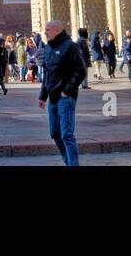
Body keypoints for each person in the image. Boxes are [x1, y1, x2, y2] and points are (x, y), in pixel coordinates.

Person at [38, 20, 87, 167]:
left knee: (67, 134)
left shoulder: (70, 46)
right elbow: (48, 73)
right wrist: (42, 96)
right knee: (54, 133)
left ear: (57, 30)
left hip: (66, 97)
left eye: (47, 30)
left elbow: (81, 70)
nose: (45, 32)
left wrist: (68, 90)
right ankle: (68, 161)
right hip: (52, 97)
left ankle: (73, 164)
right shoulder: (48, 48)